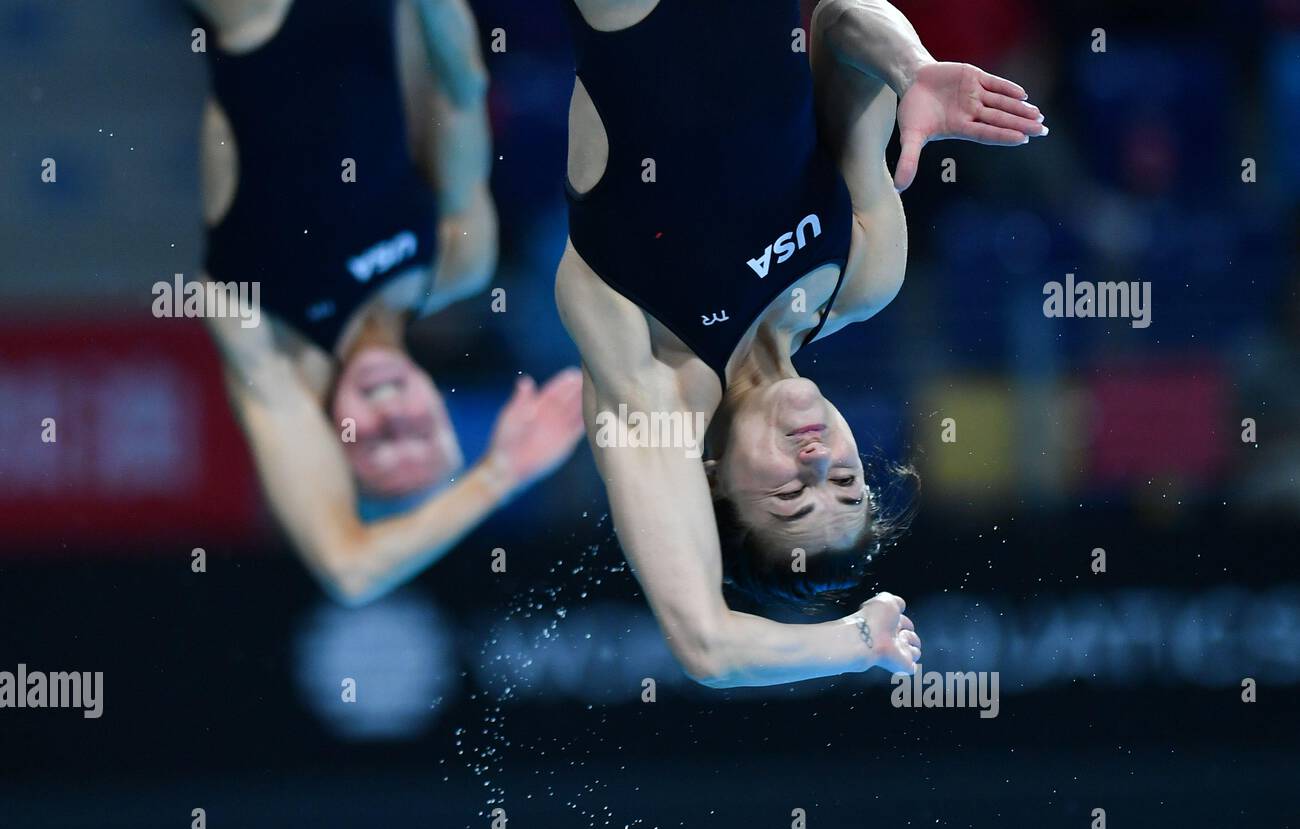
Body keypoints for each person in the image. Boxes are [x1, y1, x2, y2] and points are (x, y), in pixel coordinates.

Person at [554, 0, 1047, 686]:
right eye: (845, 480)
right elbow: (841, 25)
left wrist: (858, 643)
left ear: (711, 482)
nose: (816, 459)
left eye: (789, 495)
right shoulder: (865, 273)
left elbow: (707, 648)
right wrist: (915, 69)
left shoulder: (650, 376)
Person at [188, 0, 584, 606]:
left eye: (373, 442)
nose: (392, 411)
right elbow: (459, 90)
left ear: (329, 436)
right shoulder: (456, 261)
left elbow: (349, 573)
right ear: (436, 400)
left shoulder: (265, 336)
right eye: (420, 430)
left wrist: (498, 477)